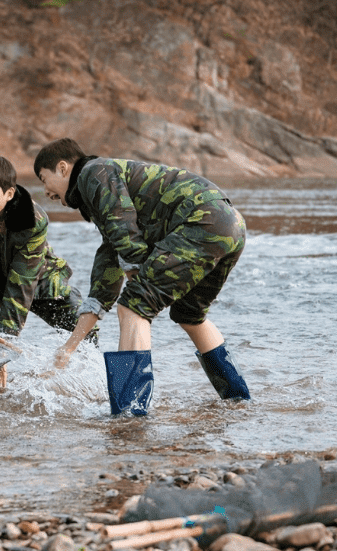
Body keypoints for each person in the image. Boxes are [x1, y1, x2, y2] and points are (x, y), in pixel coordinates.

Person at [34, 137, 251, 416]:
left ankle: (130, 412)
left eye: (44, 179)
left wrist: (136, 278)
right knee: (189, 314)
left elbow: (124, 233)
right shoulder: (104, 193)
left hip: (201, 220)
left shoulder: (93, 173)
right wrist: (68, 349)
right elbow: (105, 277)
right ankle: (238, 402)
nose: (45, 191)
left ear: (63, 168)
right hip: (229, 224)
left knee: (133, 307)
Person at [0, 154, 92, 388]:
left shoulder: (32, 219)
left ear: (9, 194)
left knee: (79, 317)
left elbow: (21, 282)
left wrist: (1, 346)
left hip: (39, 277)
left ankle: (78, 378)